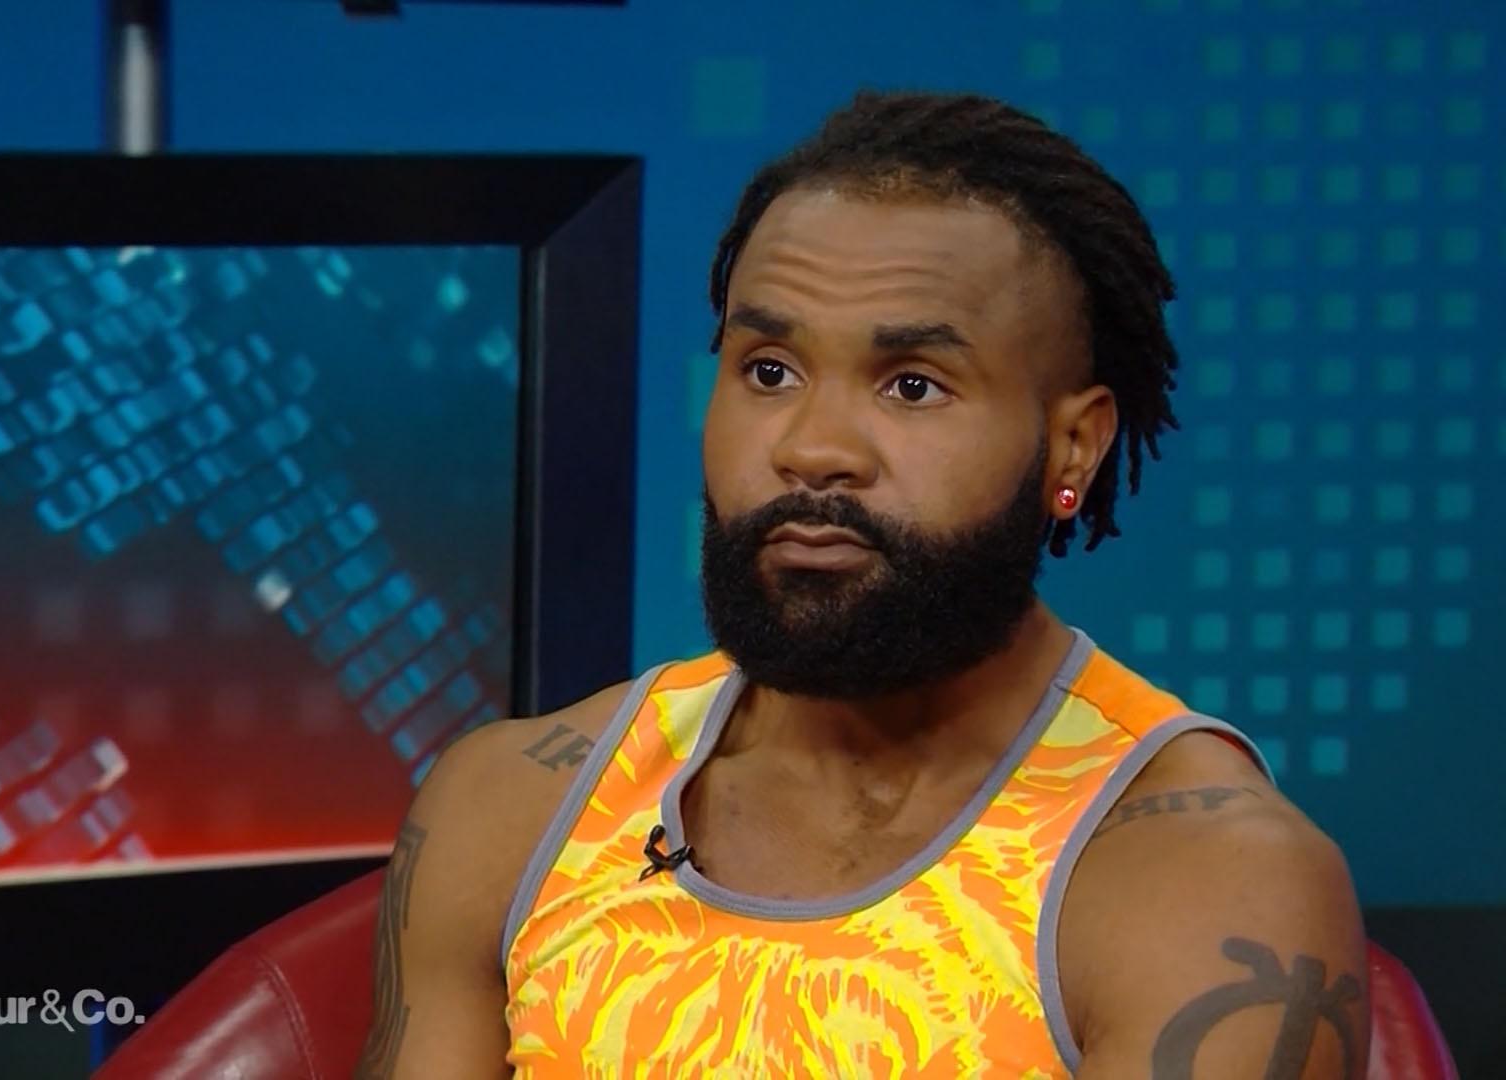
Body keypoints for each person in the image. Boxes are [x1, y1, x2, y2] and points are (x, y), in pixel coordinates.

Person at [356, 90, 1368, 1079]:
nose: (812, 449)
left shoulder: (1206, 879)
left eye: (912, 386)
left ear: (1073, 445)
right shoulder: (512, 808)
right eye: (769, 371)